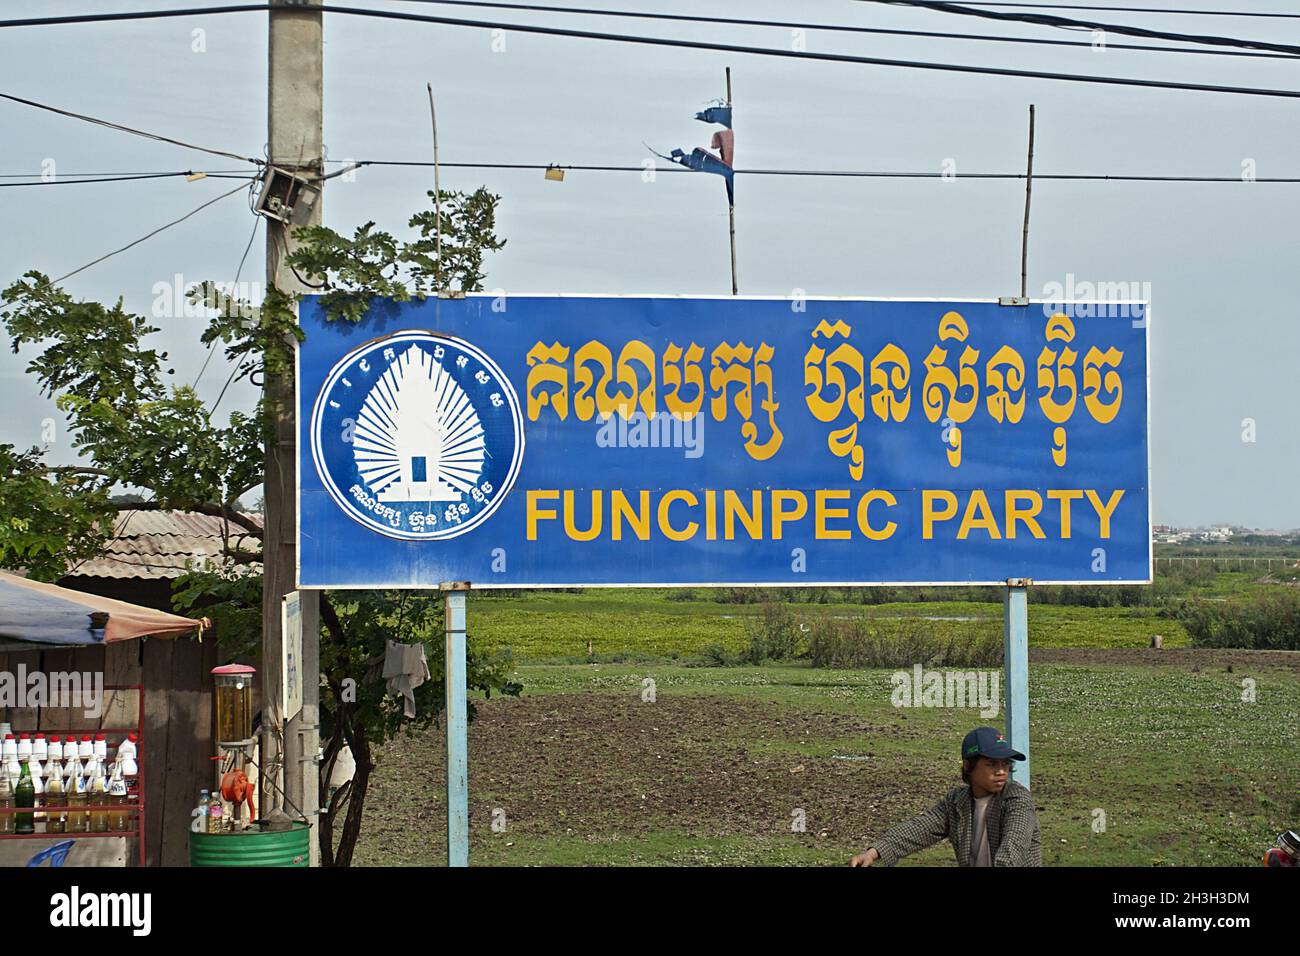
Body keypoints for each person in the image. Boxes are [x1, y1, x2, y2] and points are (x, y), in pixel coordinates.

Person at [850, 726, 1041, 867]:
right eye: (991, 764)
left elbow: (1014, 847)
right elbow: (919, 828)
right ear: (968, 766)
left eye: (1005, 764)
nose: (1001, 772)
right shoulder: (957, 801)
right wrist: (874, 852)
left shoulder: (1017, 800)